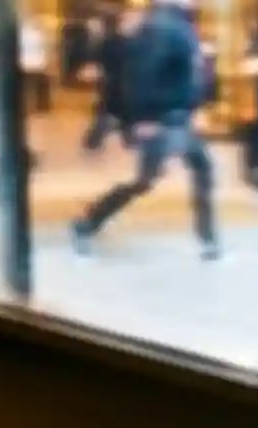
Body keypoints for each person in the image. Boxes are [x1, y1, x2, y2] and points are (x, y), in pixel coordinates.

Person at [71, 0, 219, 261]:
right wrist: (146, 117)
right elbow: (142, 74)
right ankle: (88, 221)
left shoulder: (175, 24)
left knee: (190, 169)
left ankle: (208, 239)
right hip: (165, 117)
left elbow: (182, 73)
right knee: (146, 180)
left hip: (176, 116)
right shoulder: (163, 26)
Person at [81, 7, 141, 152]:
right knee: (108, 115)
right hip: (114, 85)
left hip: (130, 85)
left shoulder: (139, 42)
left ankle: (130, 138)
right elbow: (97, 59)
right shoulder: (111, 41)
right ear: (123, 22)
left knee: (127, 114)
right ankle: (93, 141)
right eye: (133, 21)